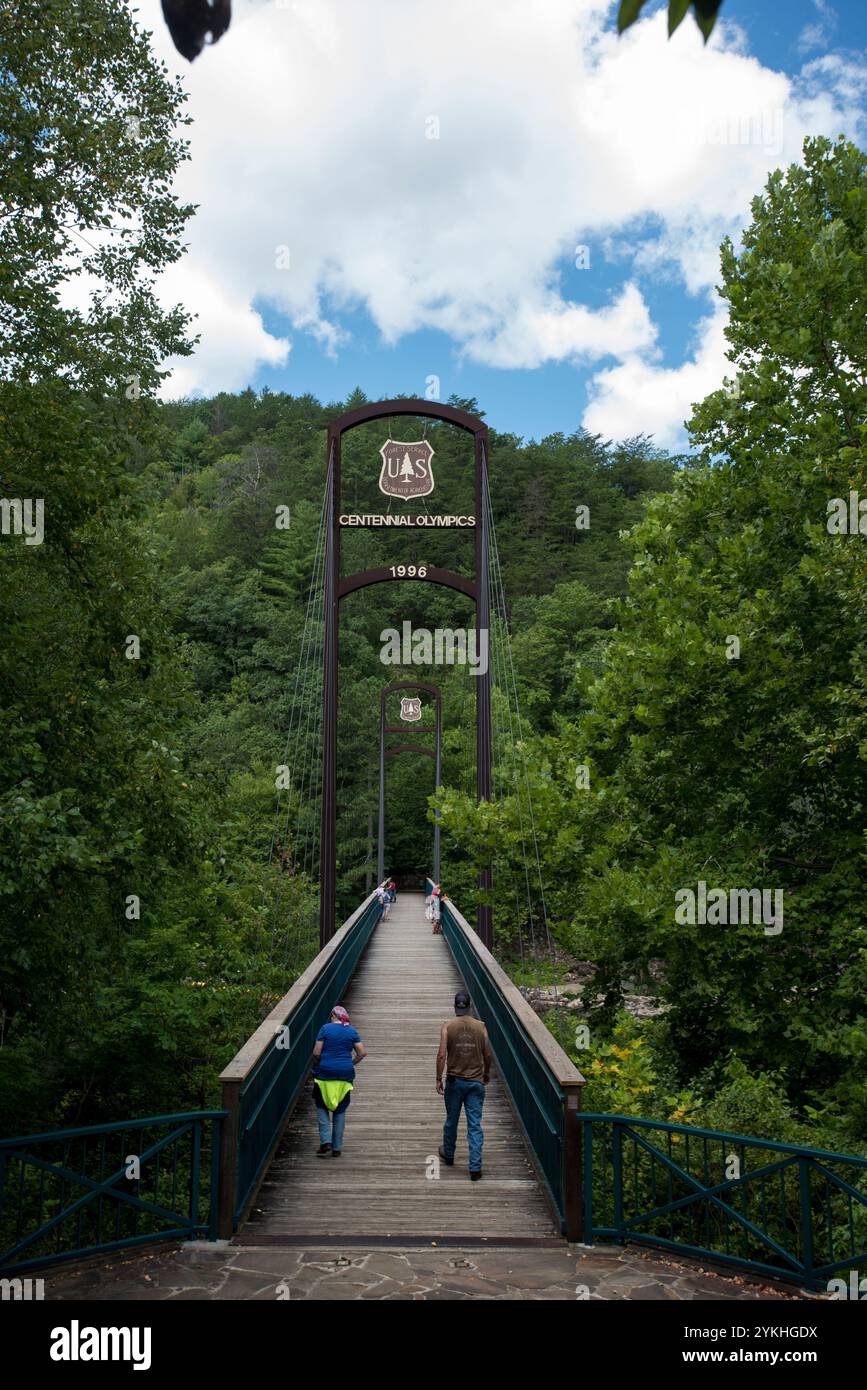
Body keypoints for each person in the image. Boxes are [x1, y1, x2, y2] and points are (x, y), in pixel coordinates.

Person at [435, 991, 491, 1180]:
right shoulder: (481, 1026)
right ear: (469, 1006)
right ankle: (475, 1167)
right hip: (476, 1082)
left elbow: (442, 1054)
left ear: (455, 1006)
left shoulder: (448, 1026)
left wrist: (438, 1078)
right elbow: (487, 1055)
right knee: (474, 1125)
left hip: (454, 1081)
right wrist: (486, 1073)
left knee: (452, 1120)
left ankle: (449, 1154)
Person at [311, 1004, 366, 1157]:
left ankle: (325, 1141)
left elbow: (316, 1052)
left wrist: (320, 1062)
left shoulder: (325, 1029)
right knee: (340, 1109)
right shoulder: (351, 1030)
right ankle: (337, 1147)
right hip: (345, 1074)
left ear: (334, 1015)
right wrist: (351, 1063)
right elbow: (362, 1052)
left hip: (325, 1073)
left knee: (321, 1105)